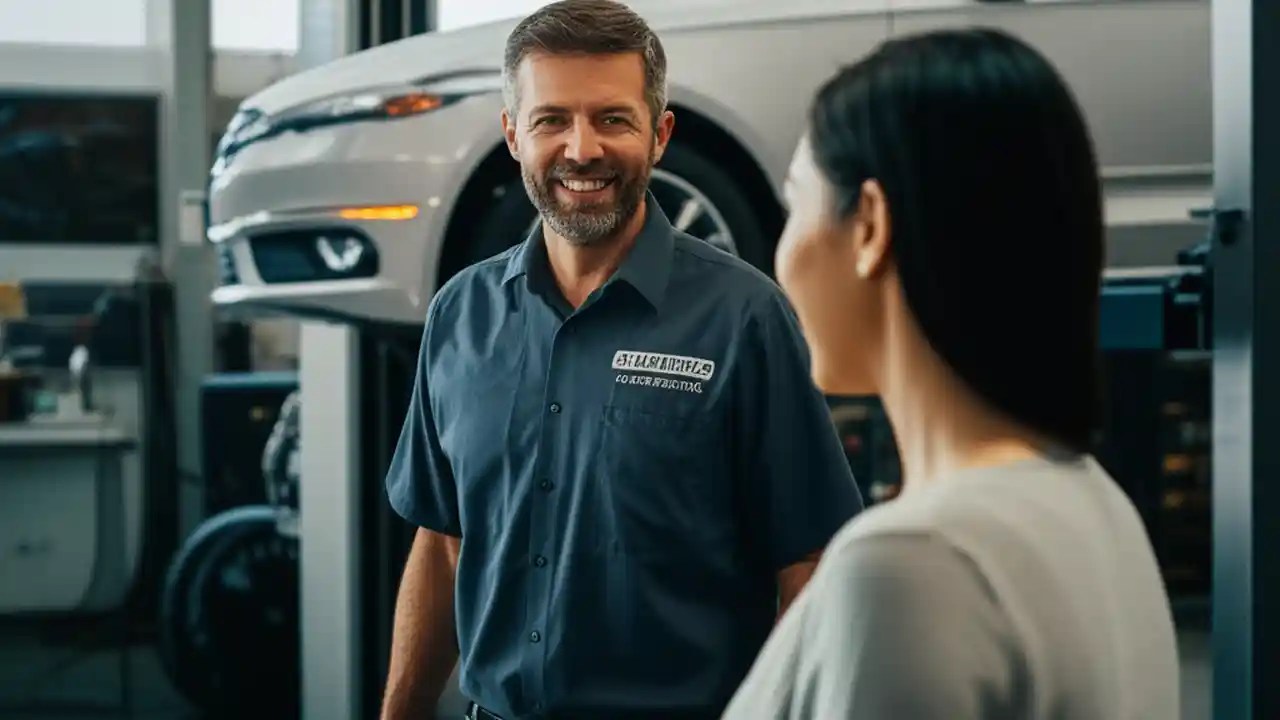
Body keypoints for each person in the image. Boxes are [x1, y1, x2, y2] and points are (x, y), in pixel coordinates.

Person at [381, 2, 864, 719]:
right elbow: (444, 543)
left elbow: (807, 562)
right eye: (551, 120)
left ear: (659, 134)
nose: (582, 149)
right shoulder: (460, 315)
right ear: (513, 135)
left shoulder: (744, 317)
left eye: (612, 119)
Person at [721, 27, 1181, 720]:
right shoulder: (1095, 503)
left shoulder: (911, 562)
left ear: (870, 225)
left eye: (795, 205)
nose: (781, 257)